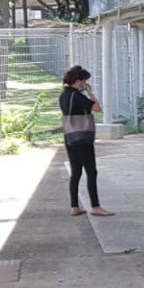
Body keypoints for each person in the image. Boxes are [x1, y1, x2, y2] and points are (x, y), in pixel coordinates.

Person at [60, 66, 114, 217]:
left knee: (76, 171)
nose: (84, 83)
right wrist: (90, 92)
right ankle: (95, 206)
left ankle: (74, 206)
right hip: (82, 137)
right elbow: (97, 108)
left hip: (69, 135)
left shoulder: (64, 95)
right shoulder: (77, 96)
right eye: (84, 81)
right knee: (91, 171)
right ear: (78, 81)